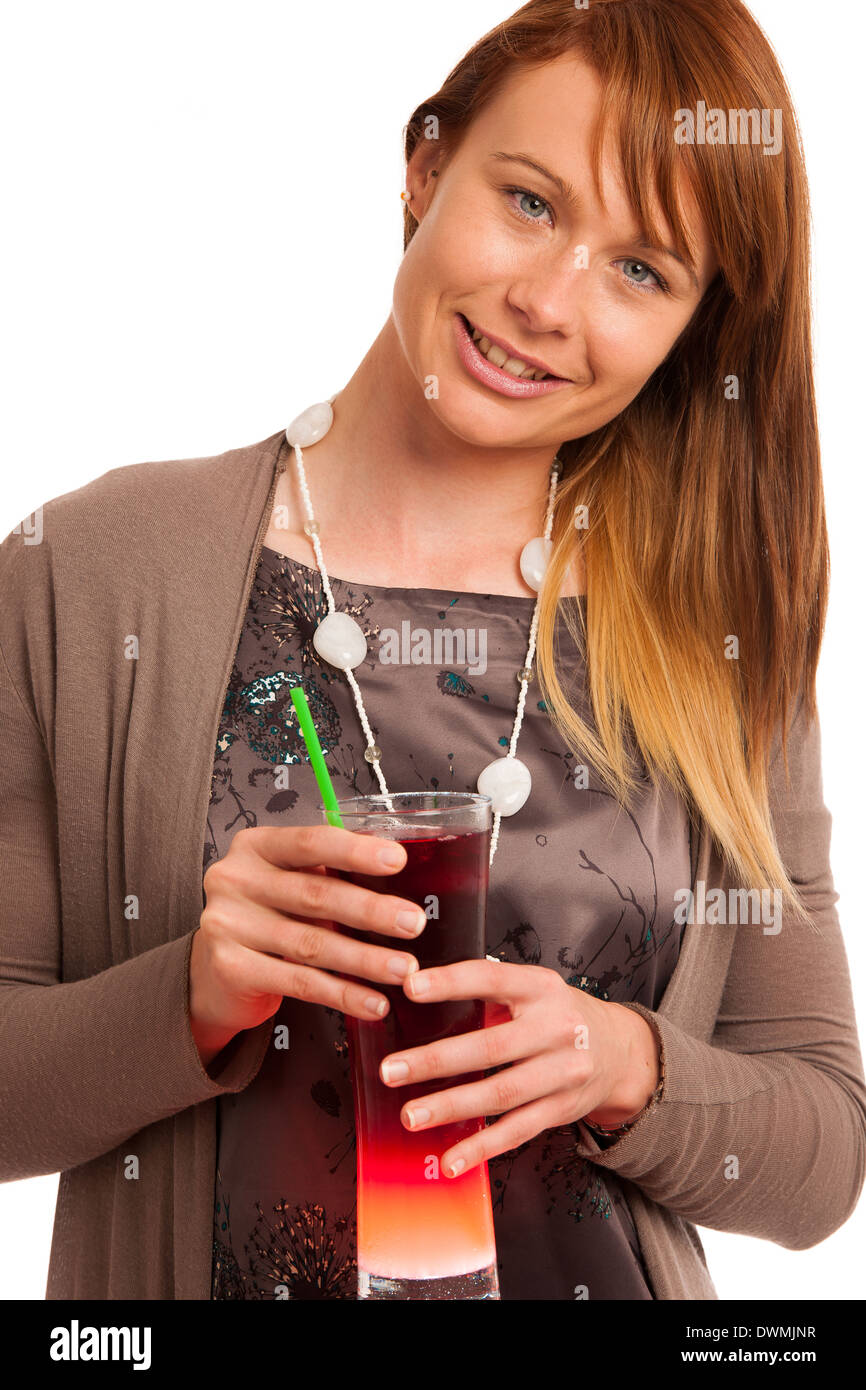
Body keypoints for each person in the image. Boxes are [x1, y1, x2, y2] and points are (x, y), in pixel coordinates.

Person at [1, 0, 864, 1302]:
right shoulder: (91, 568)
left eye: (642, 270)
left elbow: (821, 1158)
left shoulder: (709, 634)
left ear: (694, 326)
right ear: (425, 162)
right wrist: (187, 992)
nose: (545, 301)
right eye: (528, 201)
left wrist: (629, 1063)